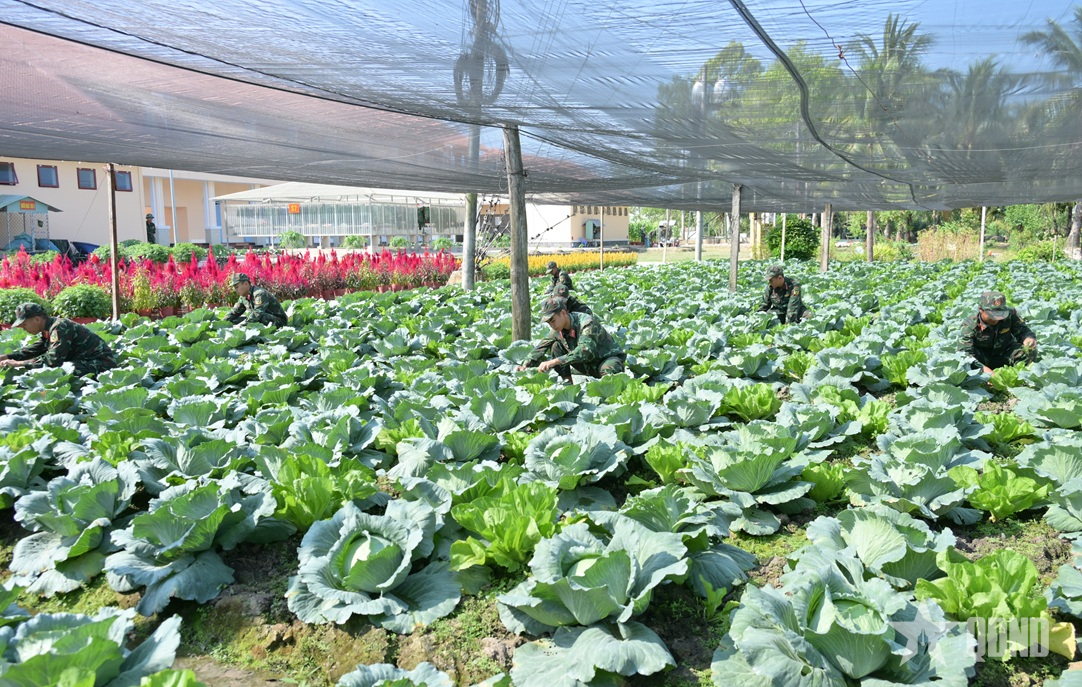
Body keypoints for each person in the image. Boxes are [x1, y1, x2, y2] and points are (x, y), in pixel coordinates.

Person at [516, 297, 625, 382]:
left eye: (553, 320)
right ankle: (567, 384)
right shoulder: (558, 329)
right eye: (548, 322)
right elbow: (540, 347)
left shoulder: (586, 323)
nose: (552, 325)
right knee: (556, 346)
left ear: (563, 313)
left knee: (609, 368)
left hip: (605, 360)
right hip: (587, 365)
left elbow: (585, 351)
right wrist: (525, 365)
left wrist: (555, 361)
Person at [0, 303, 117, 376]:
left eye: (24, 324)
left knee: (60, 370)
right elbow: (34, 349)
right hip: (84, 361)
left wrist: (19, 364)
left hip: (100, 364)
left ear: (37, 319)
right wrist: (7, 357)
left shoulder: (59, 327)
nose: (23, 328)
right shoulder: (49, 328)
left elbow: (53, 360)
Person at [958, 290, 1037, 372]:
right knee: (967, 362)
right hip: (982, 359)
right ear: (981, 309)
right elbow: (965, 354)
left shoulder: (1010, 314)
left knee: (1028, 351)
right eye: (992, 315)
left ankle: (1022, 377)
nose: (996, 319)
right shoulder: (969, 325)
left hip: (1005, 353)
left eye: (1000, 314)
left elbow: (1023, 330)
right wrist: (983, 369)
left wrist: (1028, 338)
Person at [224, 273, 289, 327]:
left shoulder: (259, 294)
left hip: (279, 322)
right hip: (264, 320)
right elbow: (234, 312)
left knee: (261, 317)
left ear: (246, 284)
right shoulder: (243, 297)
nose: (235, 290)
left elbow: (256, 315)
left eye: (237, 287)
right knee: (235, 320)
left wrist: (240, 326)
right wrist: (221, 323)